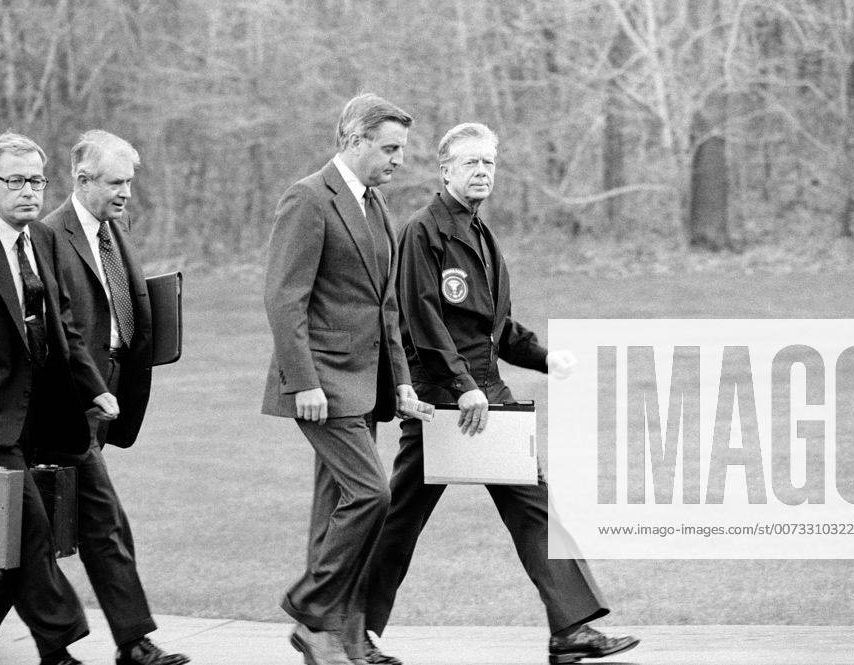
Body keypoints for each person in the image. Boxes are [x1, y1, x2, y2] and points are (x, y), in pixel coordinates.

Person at [359, 123, 641, 665]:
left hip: (488, 399)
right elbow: (421, 319)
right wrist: (462, 387)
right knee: (399, 523)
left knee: (533, 506)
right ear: (445, 171)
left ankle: (571, 630)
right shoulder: (424, 233)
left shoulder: (482, 236)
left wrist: (544, 356)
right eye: (470, 163)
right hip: (445, 406)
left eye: (488, 163)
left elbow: (496, 326)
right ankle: (354, 632)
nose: (482, 172)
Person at [0, 131, 189, 665]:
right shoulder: (46, 231)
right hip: (31, 411)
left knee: (96, 523)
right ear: (83, 180)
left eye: (130, 182)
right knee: (25, 529)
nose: (127, 192)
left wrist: (107, 389)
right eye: (116, 182)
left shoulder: (110, 229)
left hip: (86, 404)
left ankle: (132, 641)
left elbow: (106, 316)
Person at [0, 132, 120, 665]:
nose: (28, 192)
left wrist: (97, 389)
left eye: (37, 181)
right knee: (30, 530)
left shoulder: (43, 240)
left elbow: (63, 328)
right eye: (16, 181)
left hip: (40, 416)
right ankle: (60, 644)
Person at [261, 93, 419, 665]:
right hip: (321, 384)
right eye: (390, 147)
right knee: (372, 495)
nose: (398, 159)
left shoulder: (377, 206)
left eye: (401, 149)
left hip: (367, 384)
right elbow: (284, 297)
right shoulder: (308, 198)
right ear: (354, 140)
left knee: (338, 508)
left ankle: (342, 641)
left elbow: (387, 306)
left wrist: (401, 381)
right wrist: (303, 381)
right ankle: (309, 610)